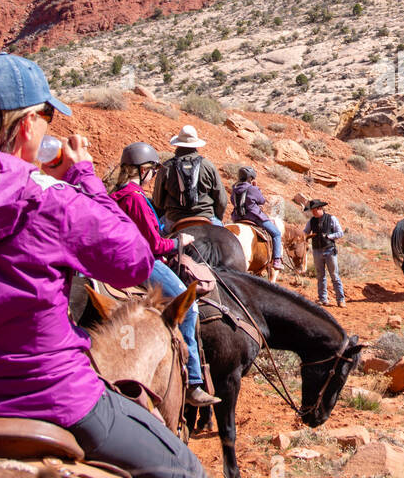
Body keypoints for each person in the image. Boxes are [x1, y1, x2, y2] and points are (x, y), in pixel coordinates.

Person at [0, 52, 217, 478]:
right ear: (27, 126)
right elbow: (133, 260)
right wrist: (82, 175)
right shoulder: (54, 200)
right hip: (56, 399)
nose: (47, 125)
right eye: (46, 115)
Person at [109, 142, 217, 407]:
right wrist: (181, 242)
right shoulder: (134, 198)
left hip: (122, 256)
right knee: (187, 305)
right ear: (143, 170)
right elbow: (155, 245)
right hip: (141, 261)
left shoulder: (117, 193)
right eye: (152, 172)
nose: (154, 176)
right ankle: (193, 381)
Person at [154, 125, 228, 230]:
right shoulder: (208, 166)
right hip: (205, 217)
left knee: (156, 243)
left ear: (177, 144)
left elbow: (158, 201)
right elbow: (221, 199)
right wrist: (216, 217)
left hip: (174, 219)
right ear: (195, 145)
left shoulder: (166, 167)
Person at [230, 165, 283, 270]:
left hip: (237, 218)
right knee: (277, 233)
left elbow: (232, 201)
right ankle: (277, 260)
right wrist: (255, 187)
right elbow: (261, 200)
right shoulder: (252, 188)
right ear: (250, 178)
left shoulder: (234, 189)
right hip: (254, 217)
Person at [304, 199, 345, 307]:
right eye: (312, 210)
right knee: (320, 275)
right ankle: (323, 299)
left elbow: (340, 233)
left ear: (320, 208)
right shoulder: (311, 221)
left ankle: (341, 299)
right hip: (317, 250)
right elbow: (305, 232)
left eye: (314, 210)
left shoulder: (331, 218)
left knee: (334, 275)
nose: (312, 212)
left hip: (329, 249)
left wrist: (329, 236)